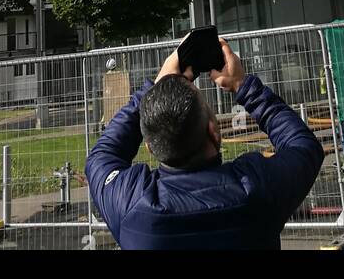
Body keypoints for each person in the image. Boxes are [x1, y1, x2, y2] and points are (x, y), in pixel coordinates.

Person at [85, 36, 324, 250]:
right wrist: (243, 86)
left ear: (149, 146)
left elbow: (101, 156)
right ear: (214, 132)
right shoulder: (256, 188)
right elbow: (303, 146)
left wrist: (153, 88)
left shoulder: (131, 205)